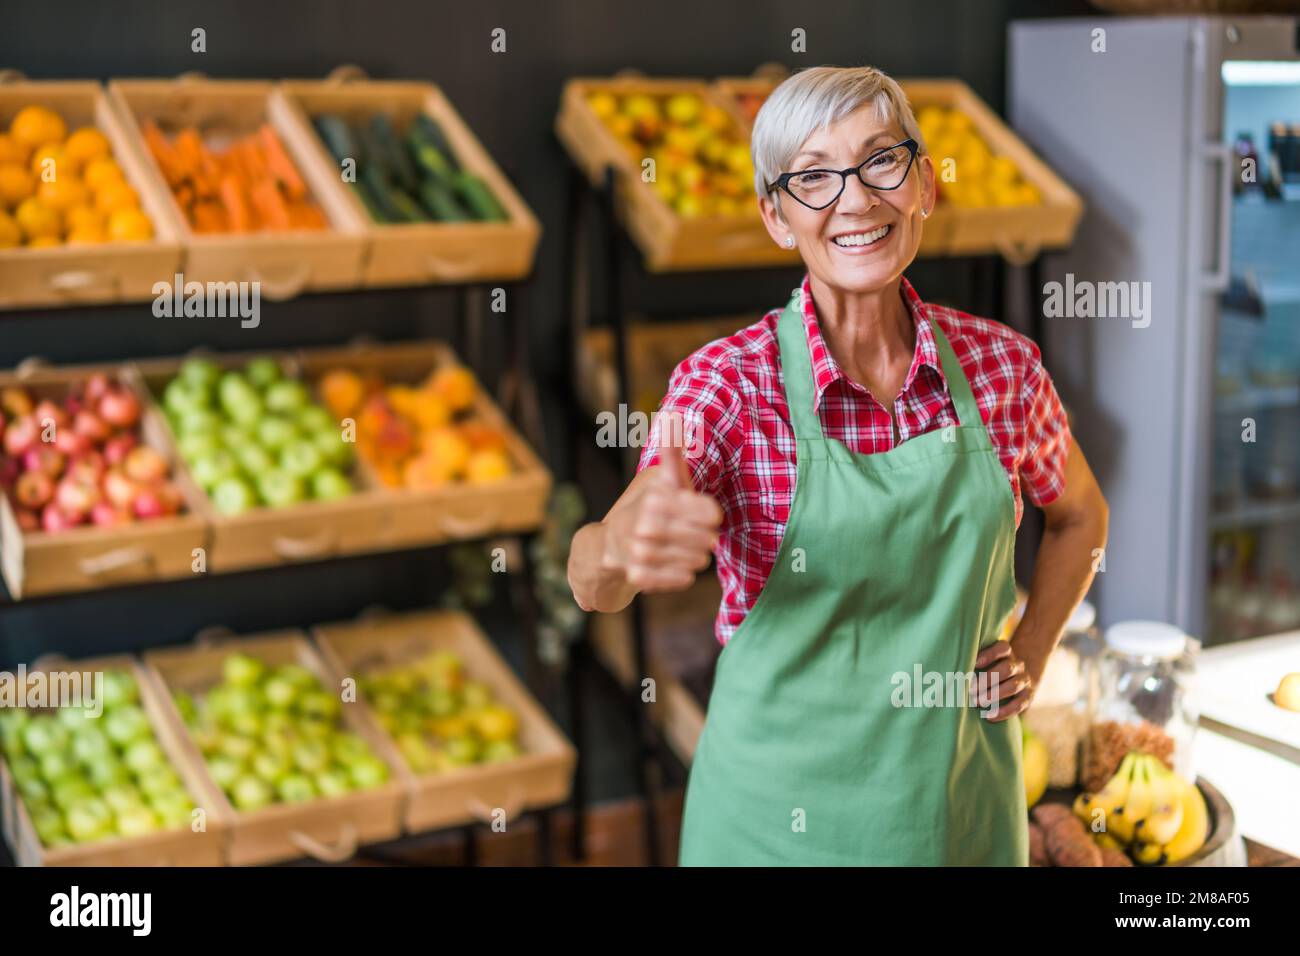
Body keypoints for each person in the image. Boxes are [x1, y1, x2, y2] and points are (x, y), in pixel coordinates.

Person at [567, 65, 1108, 865]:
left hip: (961, 821)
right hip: (771, 833)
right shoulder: (727, 386)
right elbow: (592, 573)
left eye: (880, 162)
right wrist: (618, 546)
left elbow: (1081, 518)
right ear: (776, 215)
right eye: (813, 178)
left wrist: (1030, 649)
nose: (854, 200)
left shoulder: (1004, 367)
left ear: (923, 184)